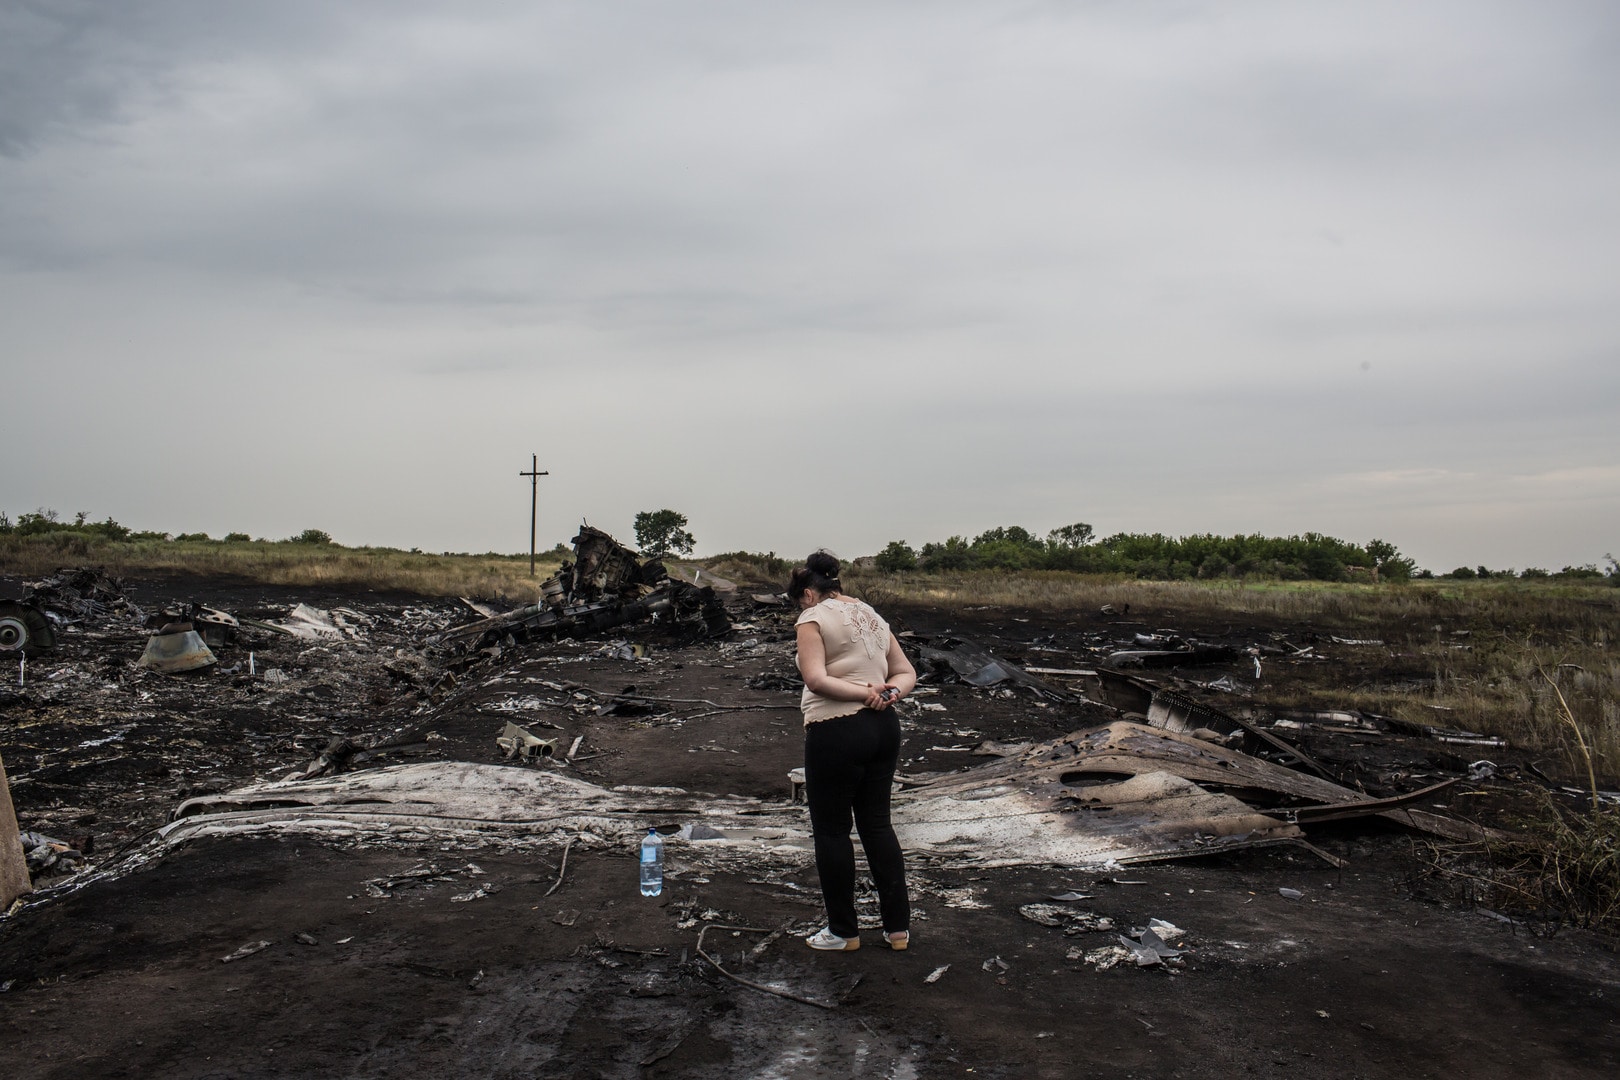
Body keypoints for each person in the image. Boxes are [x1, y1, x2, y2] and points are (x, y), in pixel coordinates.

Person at [789, 550, 917, 952]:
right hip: (883, 729)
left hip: (836, 729)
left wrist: (863, 693)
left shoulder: (812, 618)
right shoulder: (874, 616)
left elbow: (816, 679)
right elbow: (906, 672)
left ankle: (844, 932)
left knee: (831, 831)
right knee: (878, 825)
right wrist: (887, 693)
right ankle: (898, 930)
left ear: (809, 594)